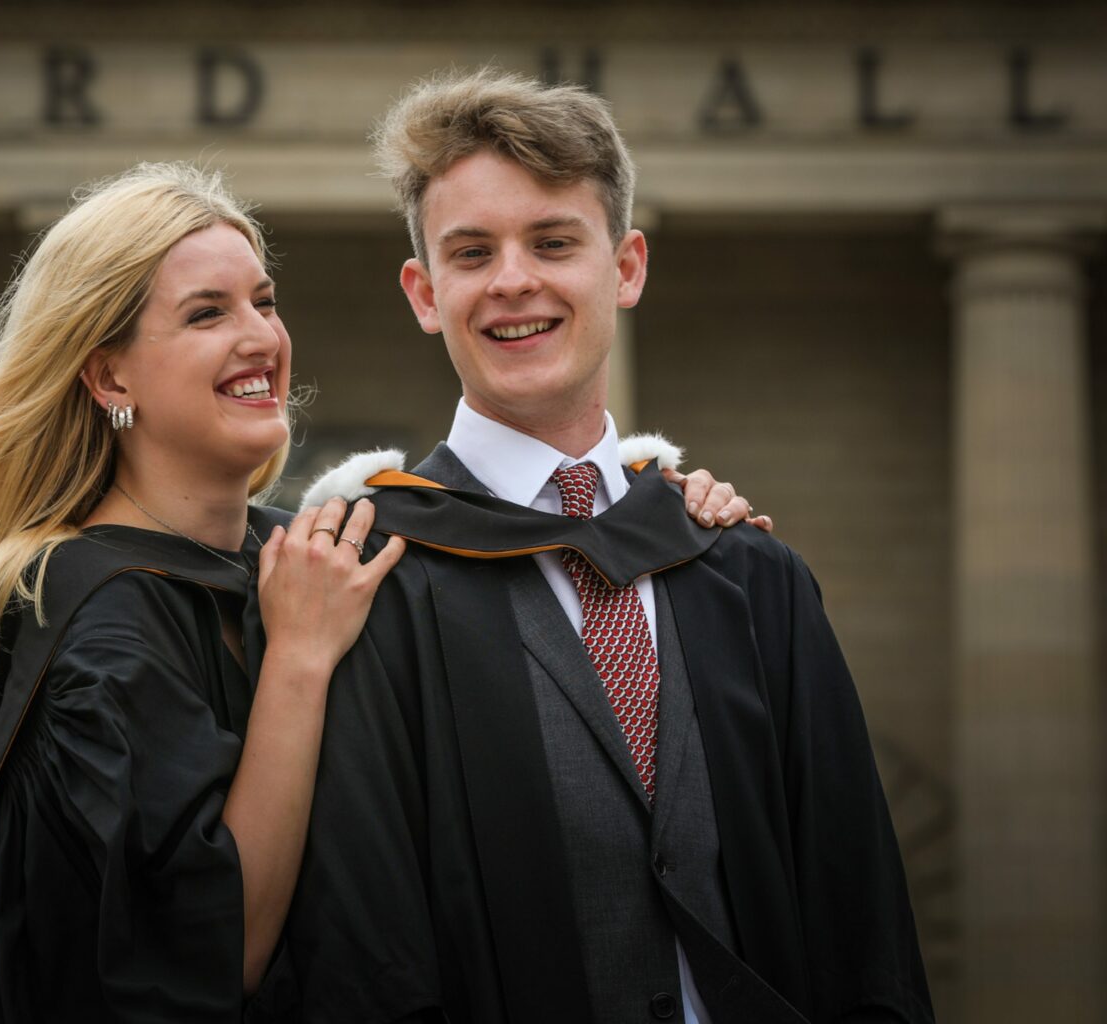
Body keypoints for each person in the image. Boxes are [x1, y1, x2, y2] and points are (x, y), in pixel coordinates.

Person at [0, 162, 759, 1022]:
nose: (261, 338)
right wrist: (298, 660)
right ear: (110, 378)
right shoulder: (94, 617)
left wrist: (655, 509)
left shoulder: (296, 550)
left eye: (263, 301)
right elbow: (211, 963)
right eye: (206, 314)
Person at [283, 69, 933, 1023]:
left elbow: (862, 924)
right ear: (425, 293)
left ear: (625, 267)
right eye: (472, 252)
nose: (514, 280)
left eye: (553, 242)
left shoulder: (749, 575)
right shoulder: (366, 580)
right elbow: (363, 954)